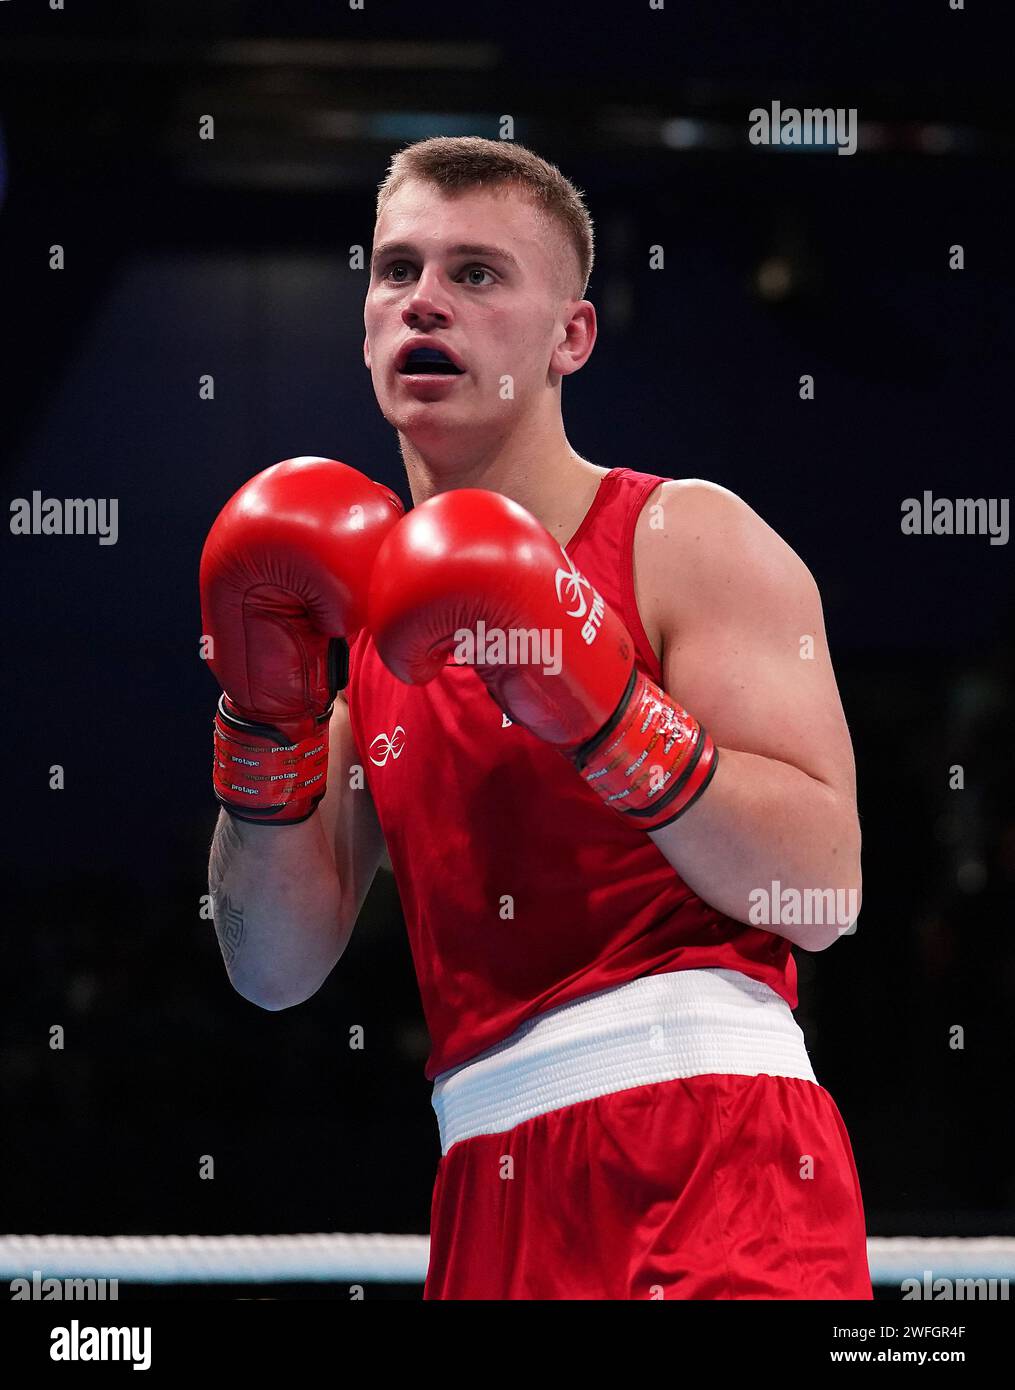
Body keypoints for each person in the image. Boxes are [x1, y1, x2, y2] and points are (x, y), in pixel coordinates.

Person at [201, 136, 872, 1300]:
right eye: (395, 268)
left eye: (476, 273)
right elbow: (271, 970)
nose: (424, 300)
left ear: (571, 336)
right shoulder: (372, 646)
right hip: (488, 1182)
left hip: (710, 1158)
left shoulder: (684, 538)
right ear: (362, 322)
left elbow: (822, 892)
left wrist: (608, 711)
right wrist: (267, 720)